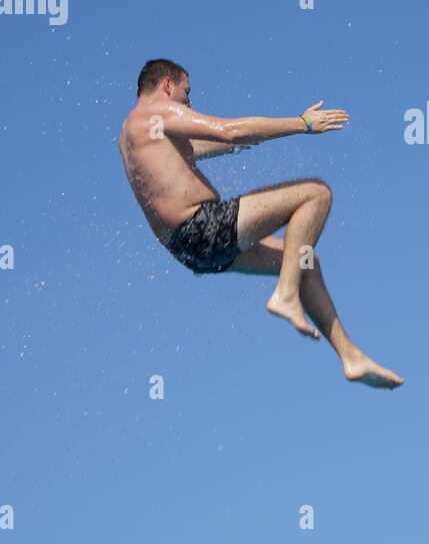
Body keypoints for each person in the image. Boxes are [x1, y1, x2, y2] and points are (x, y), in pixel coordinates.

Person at [117, 59, 404, 389]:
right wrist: (303, 123)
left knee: (302, 260)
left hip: (189, 250)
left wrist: (240, 143)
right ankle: (284, 295)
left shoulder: (135, 131)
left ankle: (350, 356)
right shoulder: (156, 111)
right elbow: (230, 129)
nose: (189, 102)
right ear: (167, 85)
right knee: (316, 194)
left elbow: (210, 144)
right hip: (203, 227)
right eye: (186, 91)